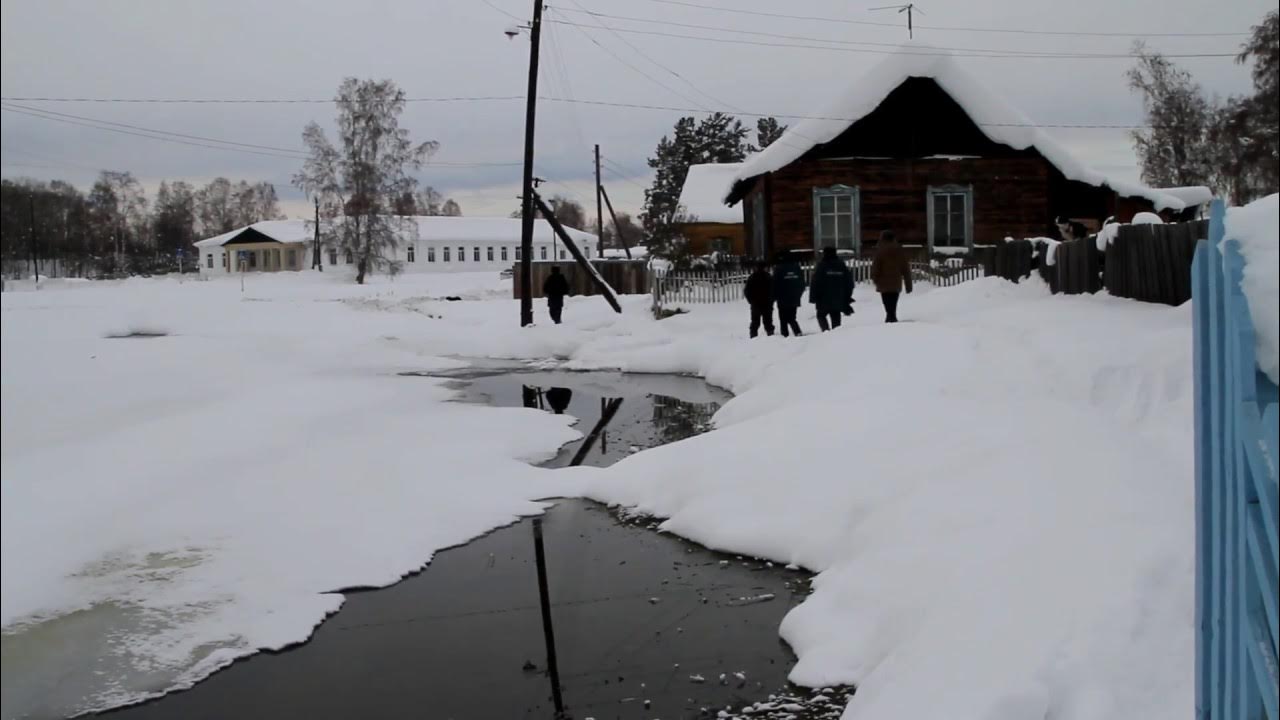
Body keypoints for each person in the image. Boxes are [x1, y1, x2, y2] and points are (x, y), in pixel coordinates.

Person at [870, 230, 913, 323]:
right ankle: (892, 316)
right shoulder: (899, 250)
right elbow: (905, 268)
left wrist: (875, 278)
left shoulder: (880, 251)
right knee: (893, 301)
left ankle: (890, 317)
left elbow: (876, 266)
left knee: (886, 301)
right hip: (895, 282)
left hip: (883, 283)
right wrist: (908, 285)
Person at [809, 246, 853, 331]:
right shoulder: (841, 265)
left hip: (823, 297)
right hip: (838, 296)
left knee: (821, 315)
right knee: (836, 315)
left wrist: (813, 297)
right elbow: (849, 282)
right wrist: (847, 296)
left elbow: (815, 282)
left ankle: (826, 331)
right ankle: (835, 333)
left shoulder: (822, 265)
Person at [772, 250, 806, 337]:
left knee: (783, 318)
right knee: (792, 316)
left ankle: (785, 334)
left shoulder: (779, 268)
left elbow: (775, 284)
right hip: (794, 297)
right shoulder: (796, 268)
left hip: (782, 297)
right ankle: (797, 331)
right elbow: (802, 283)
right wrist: (798, 294)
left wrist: (775, 296)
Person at [743, 261, 775, 338]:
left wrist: (751, 301)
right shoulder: (768, 277)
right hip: (767, 303)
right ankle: (771, 336)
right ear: (765, 268)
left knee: (755, 322)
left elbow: (747, 291)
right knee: (768, 322)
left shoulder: (752, 277)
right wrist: (772, 300)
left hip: (756, 303)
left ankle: (753, 336)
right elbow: (774, 290)